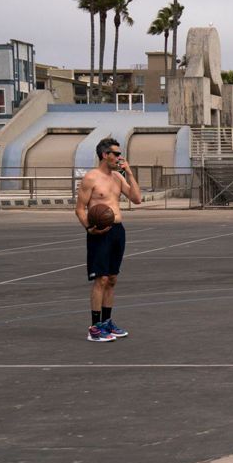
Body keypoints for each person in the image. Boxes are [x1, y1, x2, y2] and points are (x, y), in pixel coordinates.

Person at [75, 137, 142, 342]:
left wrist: (129, 173)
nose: (120, 157)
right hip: (100, 232)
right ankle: (95, 328)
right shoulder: (91, 178)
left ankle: (107, 323)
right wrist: (90, 228)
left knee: (112, 279)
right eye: (117, 154)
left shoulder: (118, 177)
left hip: (117, 231)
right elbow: (79, 209)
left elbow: (137, 199)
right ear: (105, 155)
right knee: (101, 279)